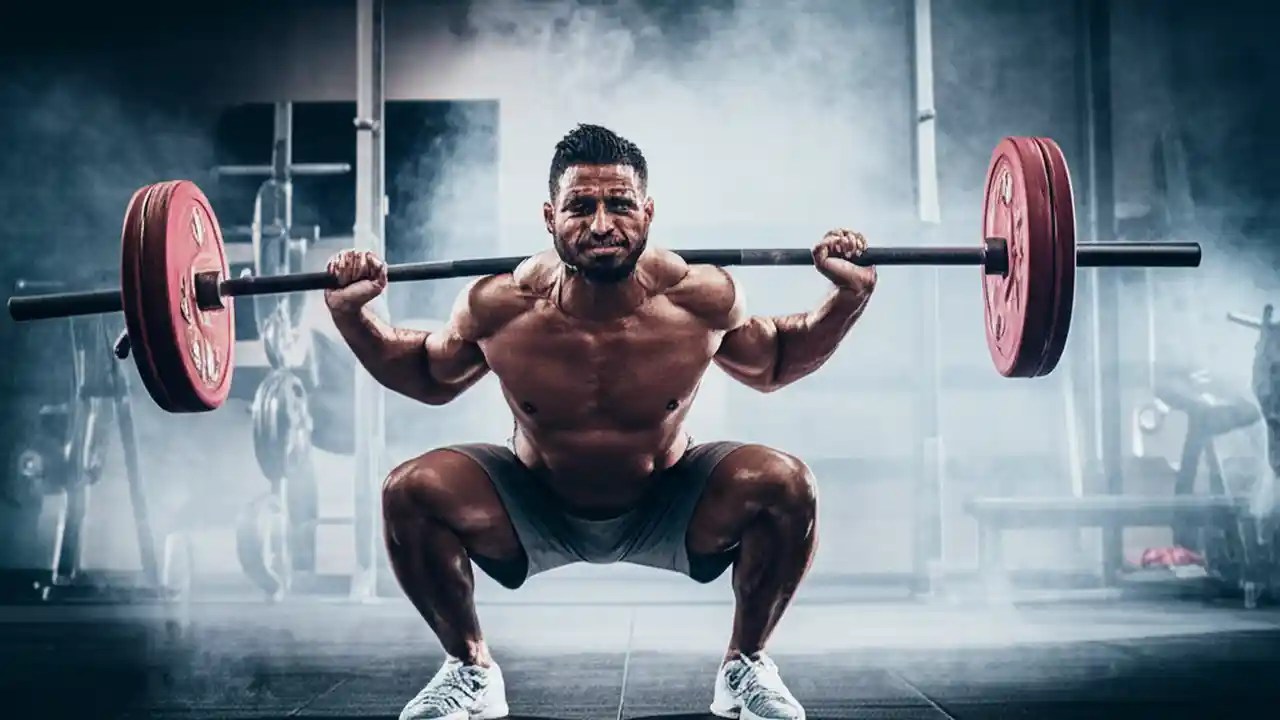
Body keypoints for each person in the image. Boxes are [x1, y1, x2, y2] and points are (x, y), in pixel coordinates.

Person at [324, 123, 877, 720]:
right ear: (548, 216)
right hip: (535, 501)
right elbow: (428, 376)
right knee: (409, 491)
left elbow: (774, 361)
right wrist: (355, 316)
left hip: (669, 500)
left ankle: (745, 666)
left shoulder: (700, 299)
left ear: (649, 211)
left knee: (787, 484)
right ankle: (469, 670)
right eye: (580, 207)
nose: (602, 225)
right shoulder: (500, 307)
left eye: (619, 204)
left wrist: (847, 299)